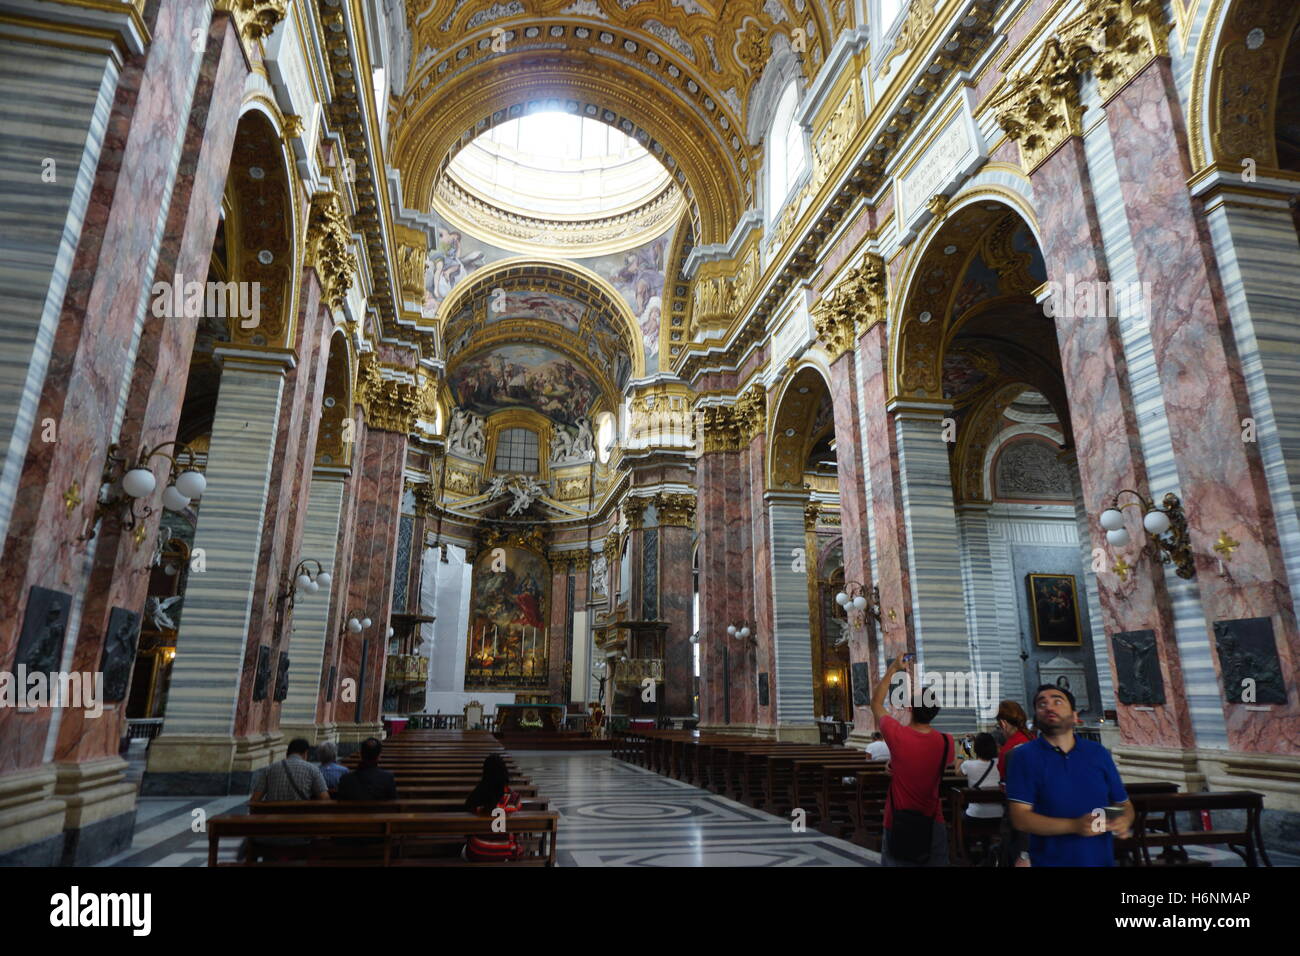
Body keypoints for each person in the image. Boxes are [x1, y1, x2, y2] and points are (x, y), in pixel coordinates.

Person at [1006, 685, 1134, 866]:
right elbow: (1020, 818)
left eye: (1057, 701)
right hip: (1050, 860)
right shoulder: (1023, 756)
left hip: (1099, 859)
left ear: (1075, 716)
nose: (1049, 707)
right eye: (1042, 704)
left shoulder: (1098, 753)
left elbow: (1122, 804)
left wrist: (1122, 820)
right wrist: (1074, 826)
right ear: (1036, 718)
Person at [870, 656, 957, 866]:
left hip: (899, 819)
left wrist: (893, 669)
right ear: (935, 711)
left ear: (909, 708)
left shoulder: (897, 735)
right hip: (932, 820)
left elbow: (875, 703)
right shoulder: (947, 742)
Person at [463, 754, 523, 862]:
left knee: (463, 851)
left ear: (485, 772)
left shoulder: (477, 794)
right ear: (504, 772)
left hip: (478, 851)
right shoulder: (514, 798)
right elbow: (517, 830)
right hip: (505, 852)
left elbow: (467, 820)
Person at [250, 738, 330, 802]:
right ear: (305, 753)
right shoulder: (313, 769)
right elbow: (325, 798)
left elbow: (255, 799)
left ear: (287, 753)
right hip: (301, 818)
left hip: (273, 818)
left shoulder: (269, 769)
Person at [960, 733, 1003, 819]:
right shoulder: (1000, 763)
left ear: (975, 749)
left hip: (975, 815)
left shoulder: (968, 765)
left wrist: (965, 745)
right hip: (999, 815)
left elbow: (957, 771)